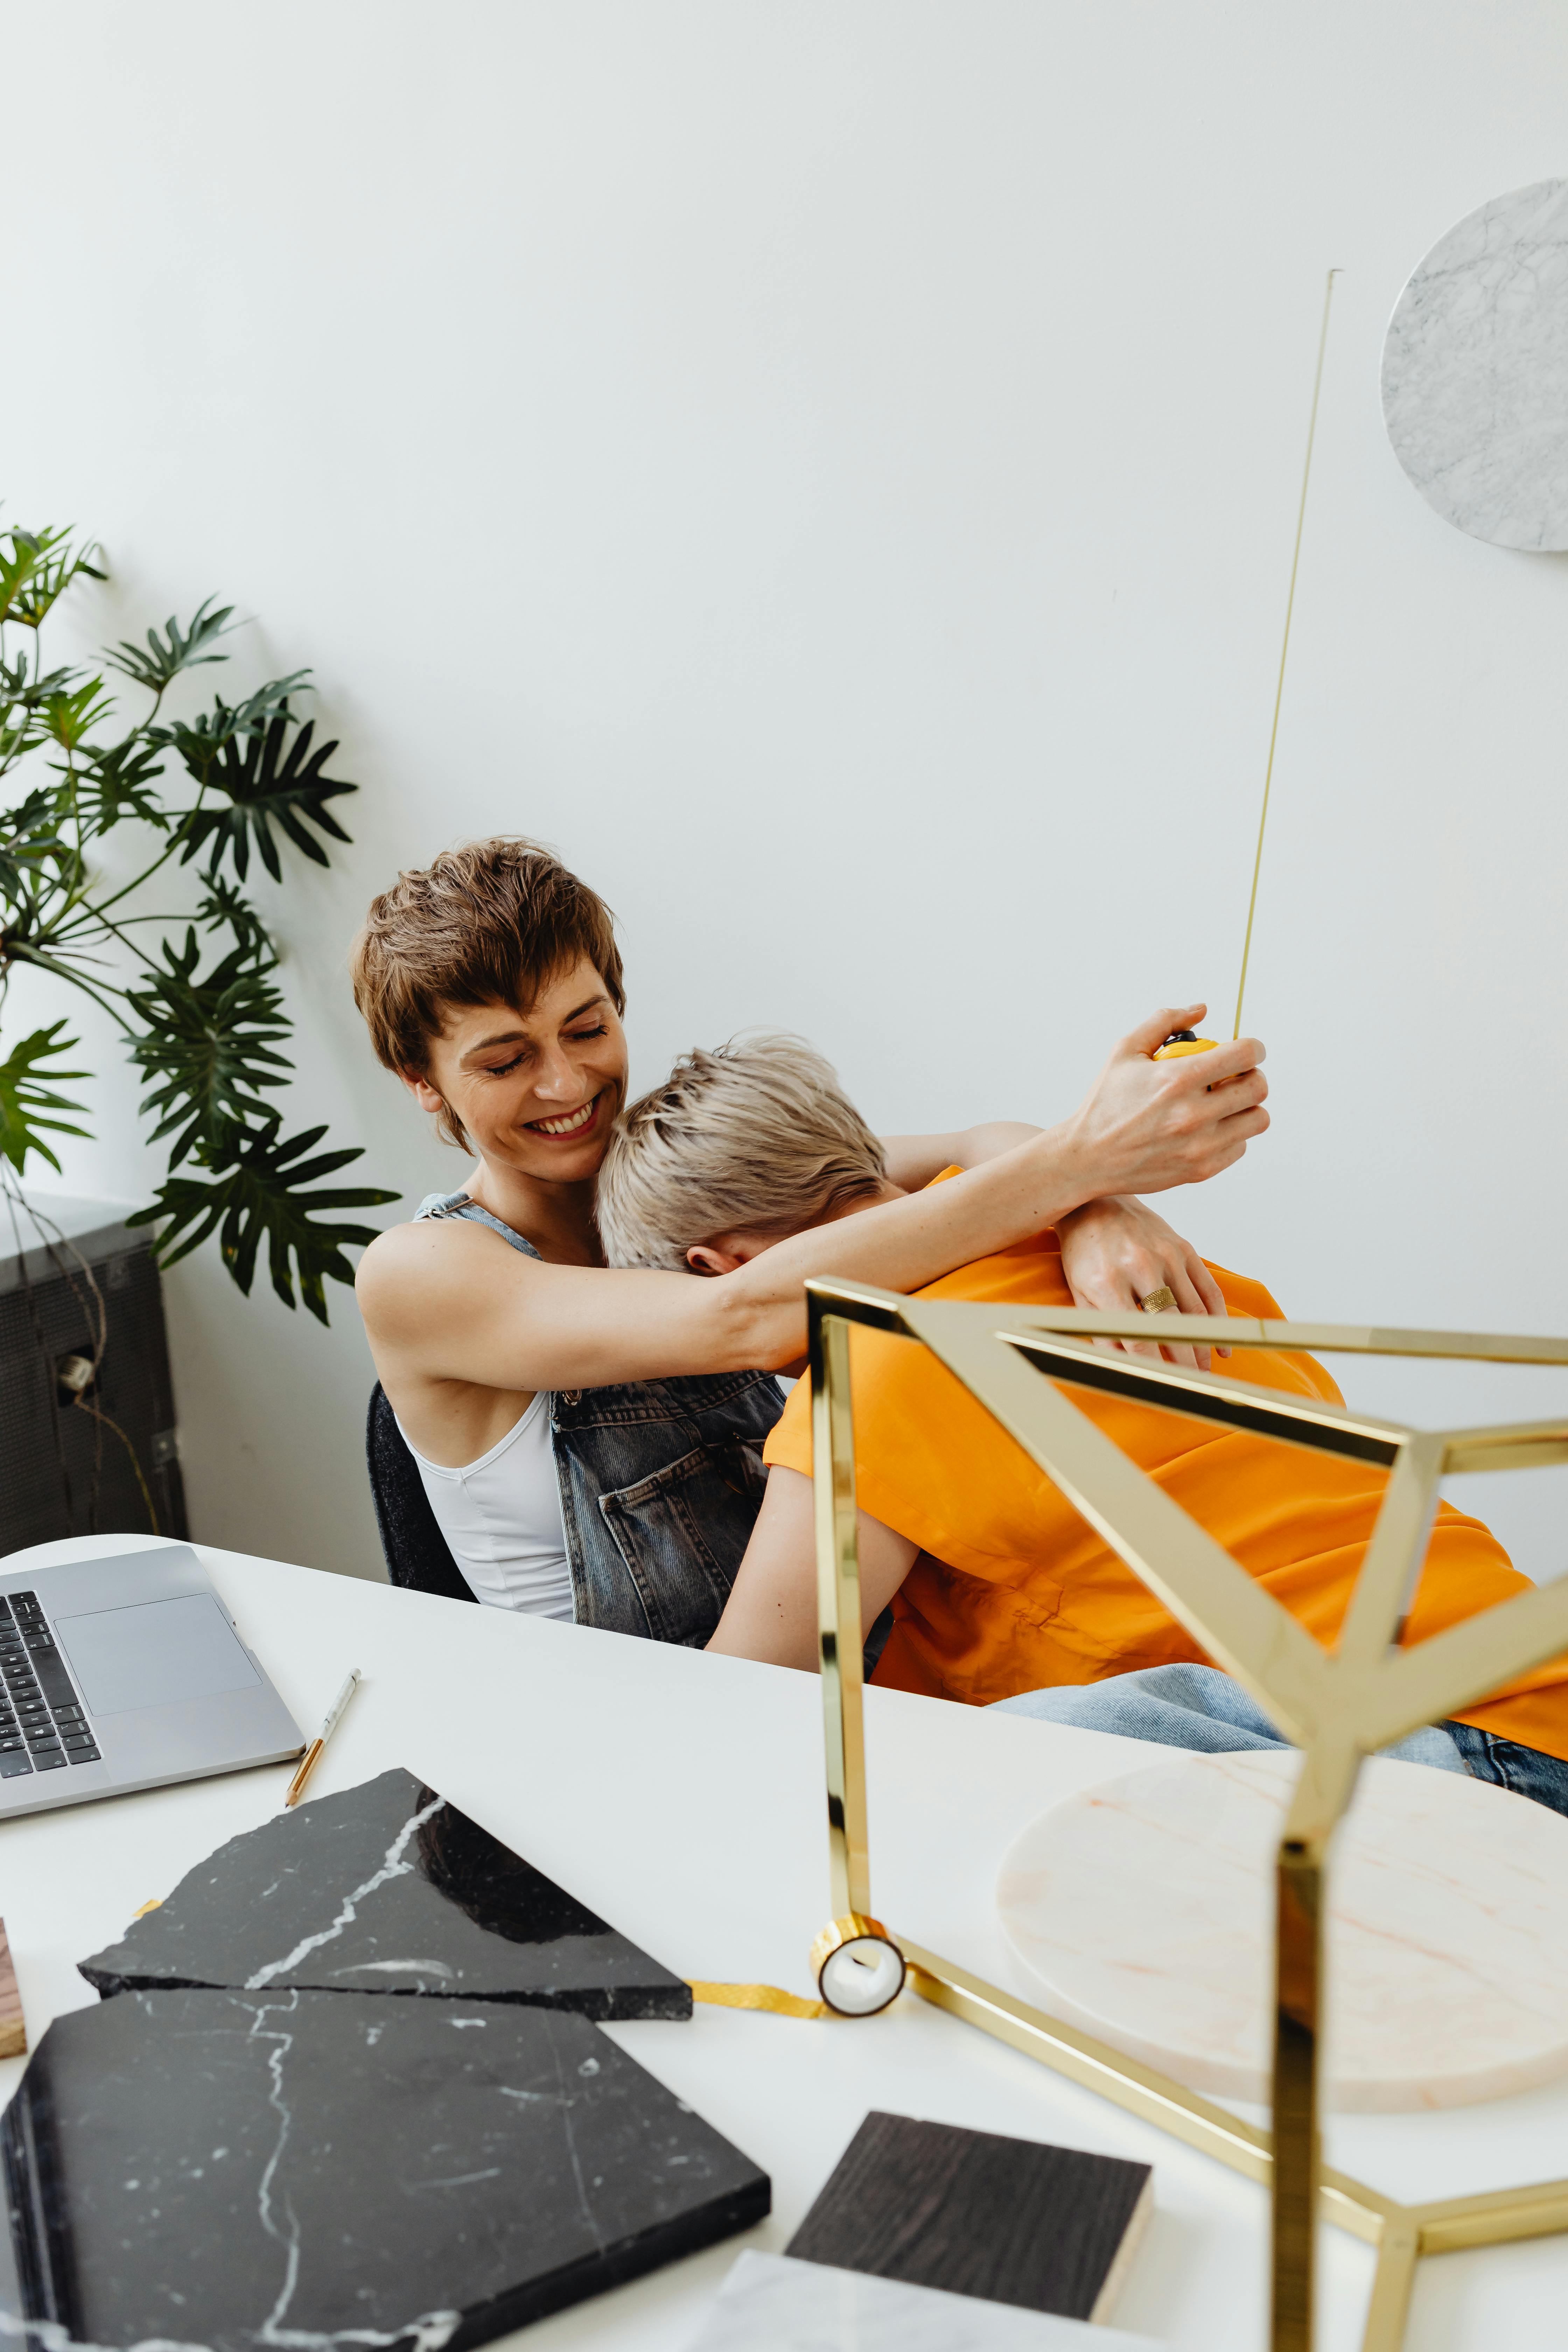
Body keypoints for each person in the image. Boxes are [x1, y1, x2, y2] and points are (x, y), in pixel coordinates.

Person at [595, 1031, 1568, 1811]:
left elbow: (740, 1698)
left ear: (714, 1271)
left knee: (916, 1799)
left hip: (1444, 1762)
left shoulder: (874, 1367)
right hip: (1528, 1695)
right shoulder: (1140, 1262)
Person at [351, 837, 1269, 1644]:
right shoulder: (421, 1272)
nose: (566, 1083)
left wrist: (1098, 1211)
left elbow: (975, 1151)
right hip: (661, 1735)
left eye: (587, 1028)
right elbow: (737, 1318)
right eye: (506, 1061)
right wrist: (1081, 1164)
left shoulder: (696, 1192)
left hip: (868, 1690)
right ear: (420, 1081)